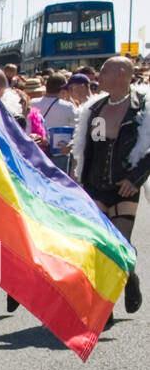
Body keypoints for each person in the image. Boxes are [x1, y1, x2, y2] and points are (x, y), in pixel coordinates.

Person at [71, 55, 146, 315]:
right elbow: (91, 148)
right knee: (101, 247)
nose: (98, 77)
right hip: (96, 186)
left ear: (121, 74)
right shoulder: (96, 108)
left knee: (120, 244)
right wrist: (79, 180)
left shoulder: (143, 108)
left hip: (125, 185)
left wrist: (135, 179)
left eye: (104, 72)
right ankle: (106, 308)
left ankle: (130, 277)